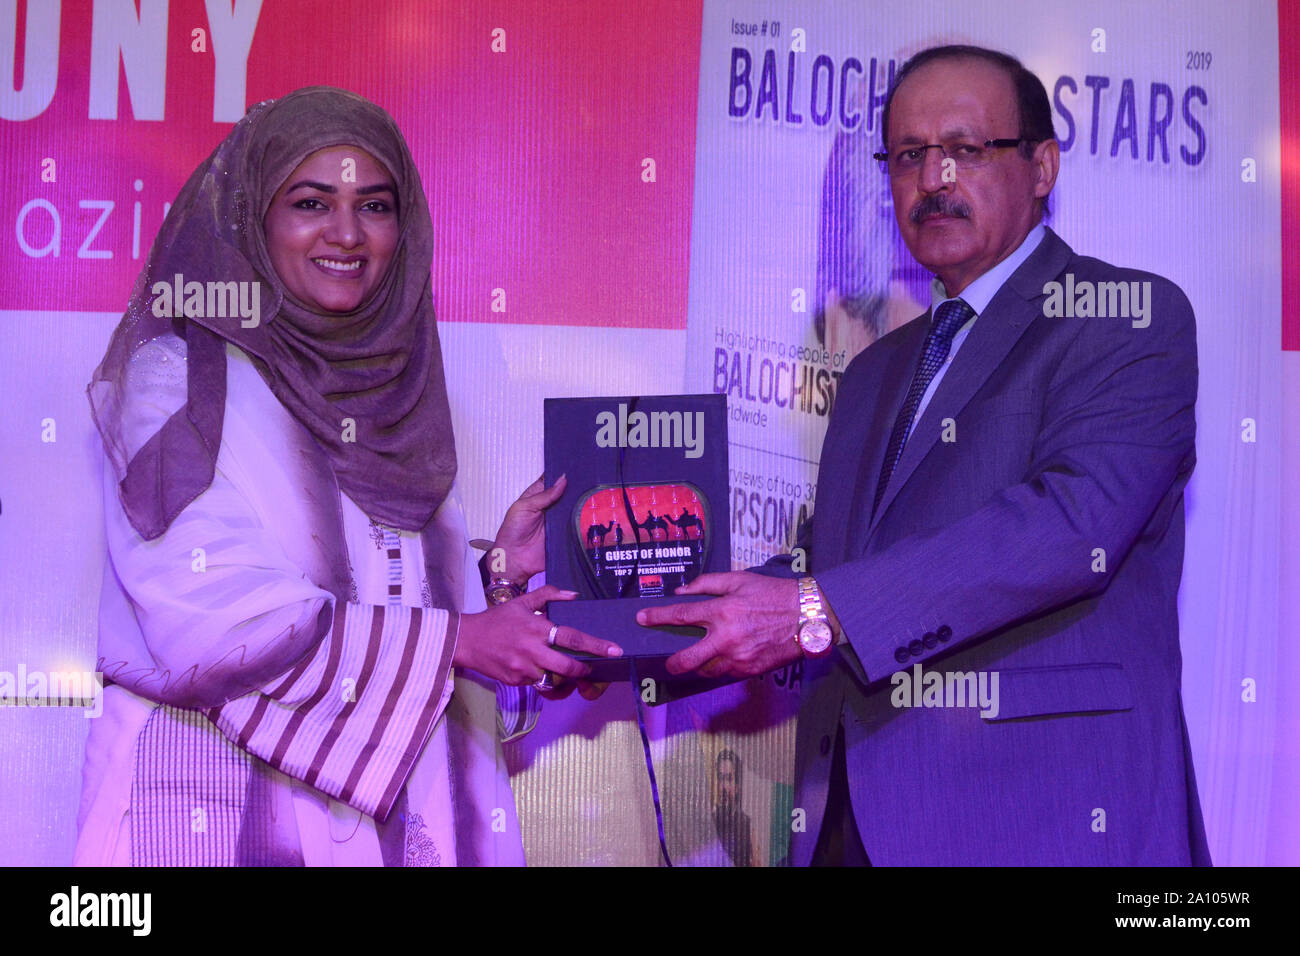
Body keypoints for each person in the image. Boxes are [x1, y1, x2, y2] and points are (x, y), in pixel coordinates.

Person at [641, 45, 1210, 866]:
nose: (934, 177)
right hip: (848, 818)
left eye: (967, 149)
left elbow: (1066, 527)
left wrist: (811, 610)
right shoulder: (875, 371)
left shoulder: (1124, 318)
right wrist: (624, 629)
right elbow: (828, 564)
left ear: (1042, 165)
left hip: (1042, 819)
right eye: (909, 155)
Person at [76, 86, 619, 866]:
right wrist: (459, 642)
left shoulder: (393, 384)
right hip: (206, 804)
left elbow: (377, 585)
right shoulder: (178, 379)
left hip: (387, 822)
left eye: (374, 205)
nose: (346, 232)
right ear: (254, 217)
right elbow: (210, 615)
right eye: (310, 201)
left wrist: (496, 578)